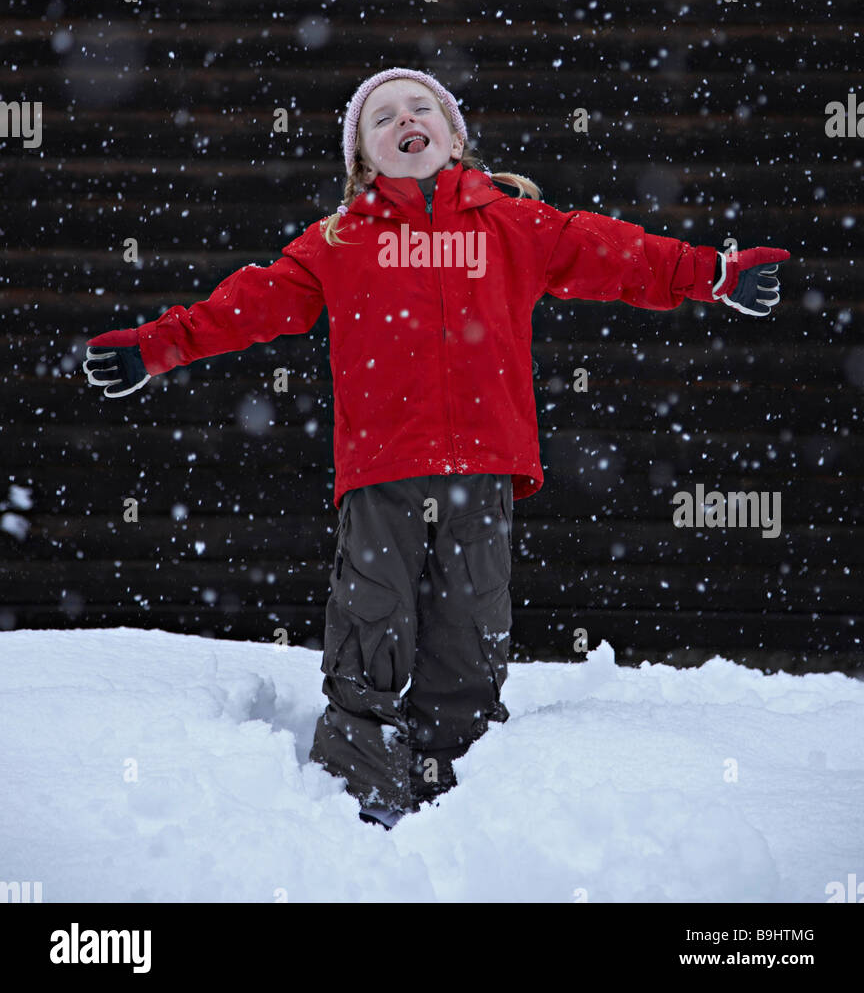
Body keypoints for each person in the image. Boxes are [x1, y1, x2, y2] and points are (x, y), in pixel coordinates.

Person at [82, 68, 791, 829]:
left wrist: (712, 275)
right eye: (382, 117)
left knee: (469, 631)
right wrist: (156, 349)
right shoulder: (338, 242)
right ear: (364, 159)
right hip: (384, 470)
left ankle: (460, 802)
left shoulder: (516, 225)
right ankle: (356, 797)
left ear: (455, 138)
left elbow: (620, 254)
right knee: (371, 619)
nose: (405, 119)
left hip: (483, 474)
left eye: (422, 108)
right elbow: (244, 306)